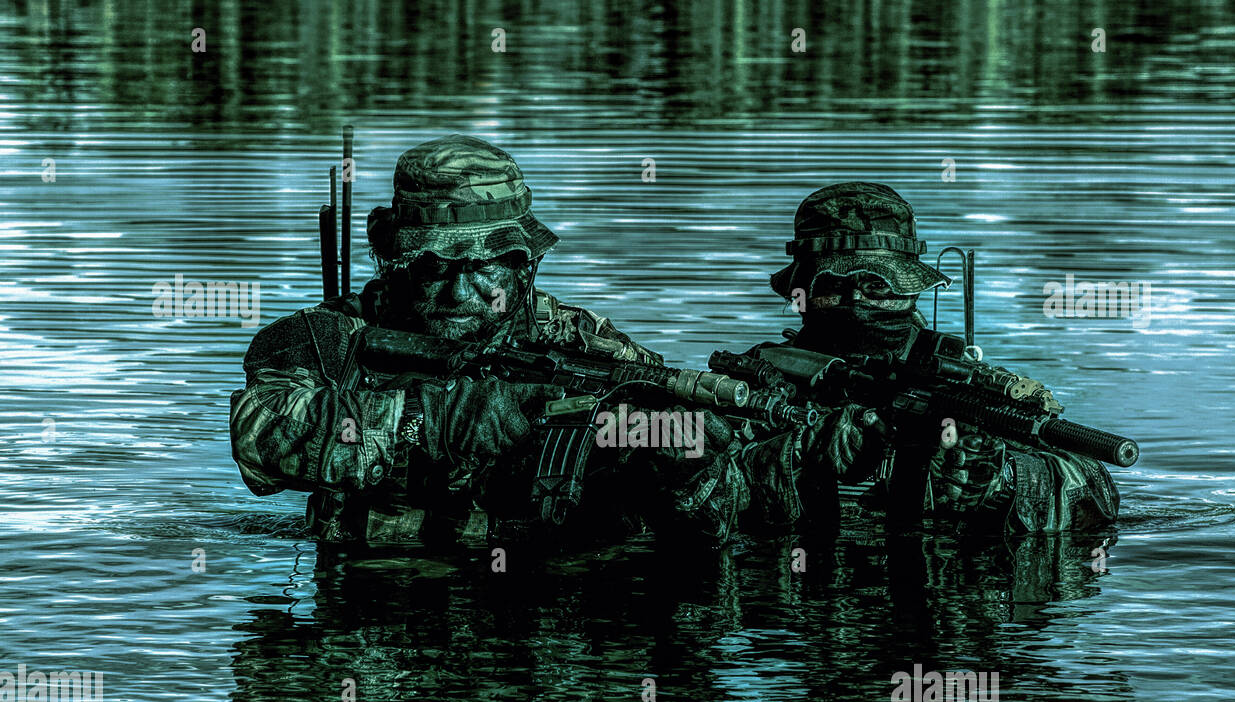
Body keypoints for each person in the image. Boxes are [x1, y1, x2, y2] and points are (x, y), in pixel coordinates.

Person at [229, 135, 872, 547]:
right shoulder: (326, 338)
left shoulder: (581, 346)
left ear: (523, 264)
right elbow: (264, 441)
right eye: (435, 269)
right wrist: (454, 419)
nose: (460, 293)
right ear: (397, 262)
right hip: (377, 620)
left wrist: (684, 470)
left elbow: (717, 508)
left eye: (488, 268)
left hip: (538, 622)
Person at [756, 182, 1120, 533]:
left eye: (879, 285)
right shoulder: (755, 380)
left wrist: (1004, 479)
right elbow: (704, 487)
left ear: (910, 289)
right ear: (799, 289)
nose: (858, 300)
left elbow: (1097, 494)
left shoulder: (963, 384)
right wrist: (799, 455)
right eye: (833, 285)